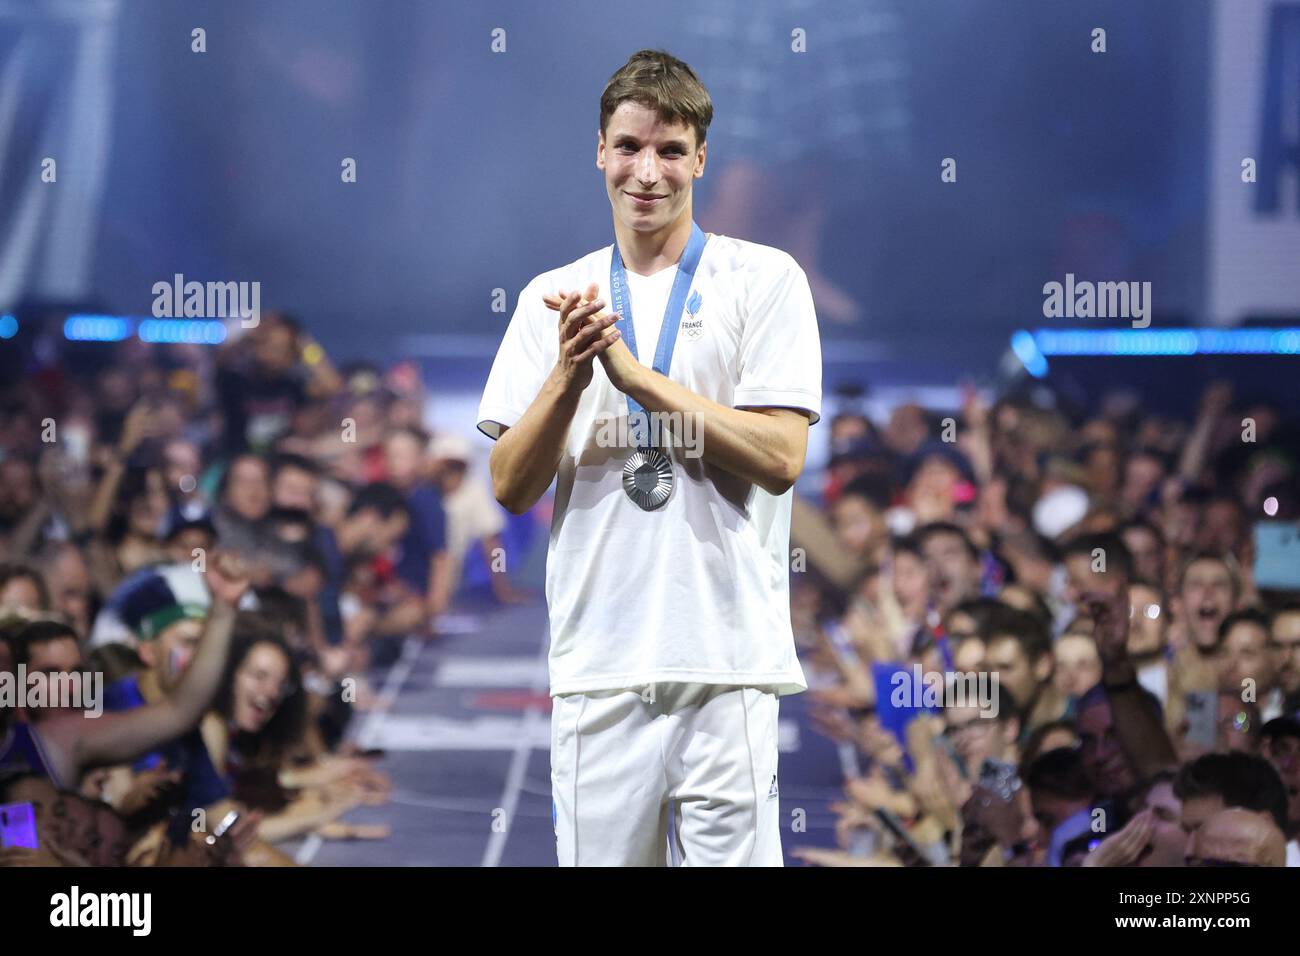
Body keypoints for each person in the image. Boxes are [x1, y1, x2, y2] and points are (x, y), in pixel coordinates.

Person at [477, 49, 821, 866]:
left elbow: (781, 456)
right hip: (598, 667)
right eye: (629, 146)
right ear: (600, 150)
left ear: (702, 158)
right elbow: (510, 486)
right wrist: (569, 372)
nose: (647, 171)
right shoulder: (550, 299)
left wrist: (635, 377)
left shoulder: (763, 280)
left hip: (727, 661)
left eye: (671, 151)